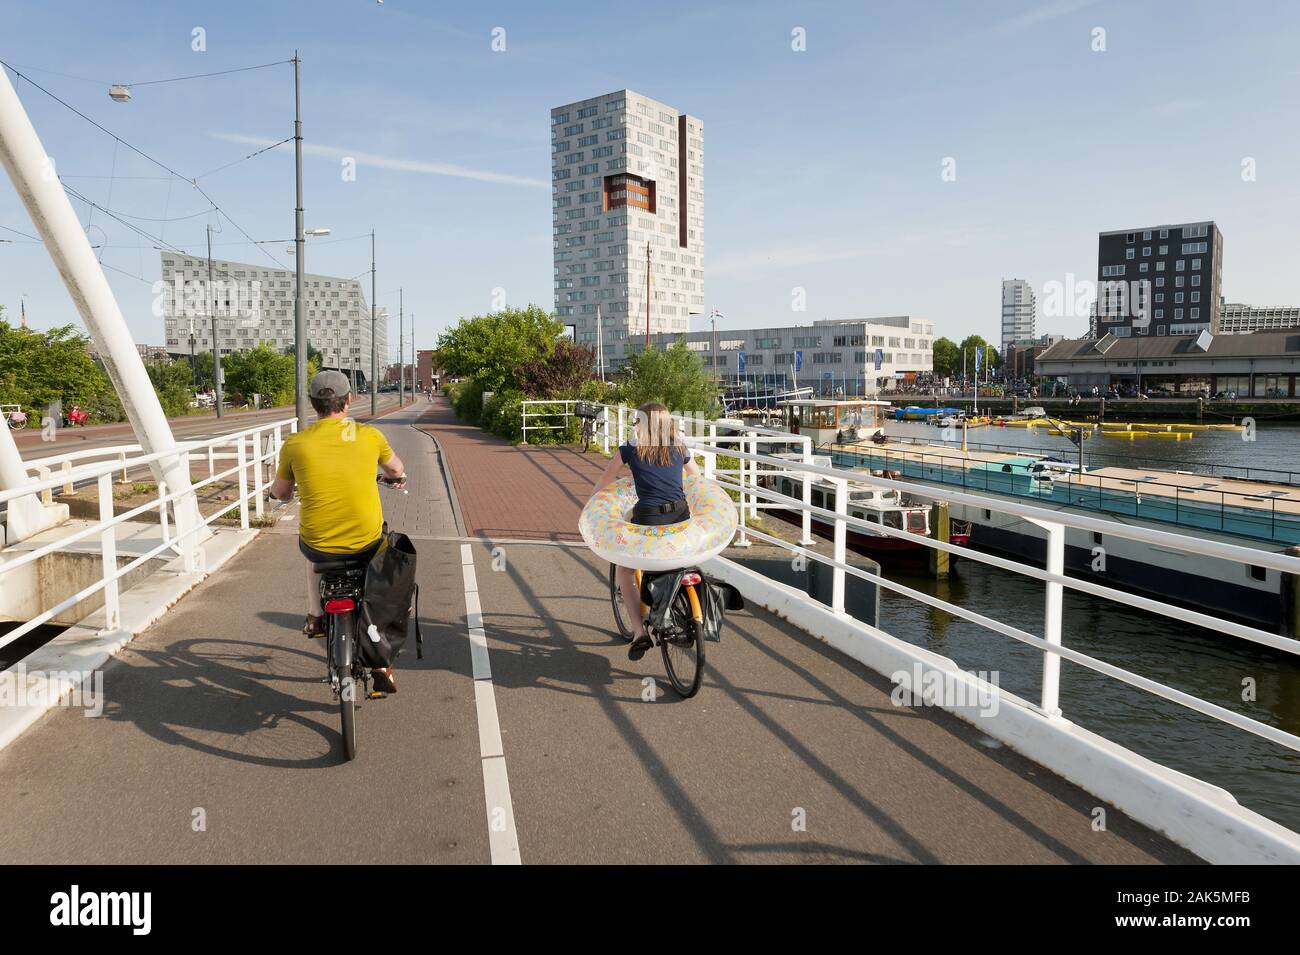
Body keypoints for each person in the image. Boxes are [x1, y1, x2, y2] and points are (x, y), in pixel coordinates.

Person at [270, 370, 406, 692]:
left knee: (311, 551)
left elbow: (281, 491)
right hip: (365, 540)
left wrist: (278, 495)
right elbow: (396, 469)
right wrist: (394, 477)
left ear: (313, 404)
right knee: (376, 573)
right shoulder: (369, 436)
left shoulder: (296, 443)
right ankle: (380, 662)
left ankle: (315, 615)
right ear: (348, 401)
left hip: (319, 545)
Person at [589, 401, 701, 661]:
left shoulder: (631, 447)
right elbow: (696, 477)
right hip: (680, 516)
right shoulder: (678, 446)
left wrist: (590, 506)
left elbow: (605, 480)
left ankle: (639, 632)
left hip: (649, 518)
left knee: (624, 570)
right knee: (676, 560)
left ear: (641, 422)